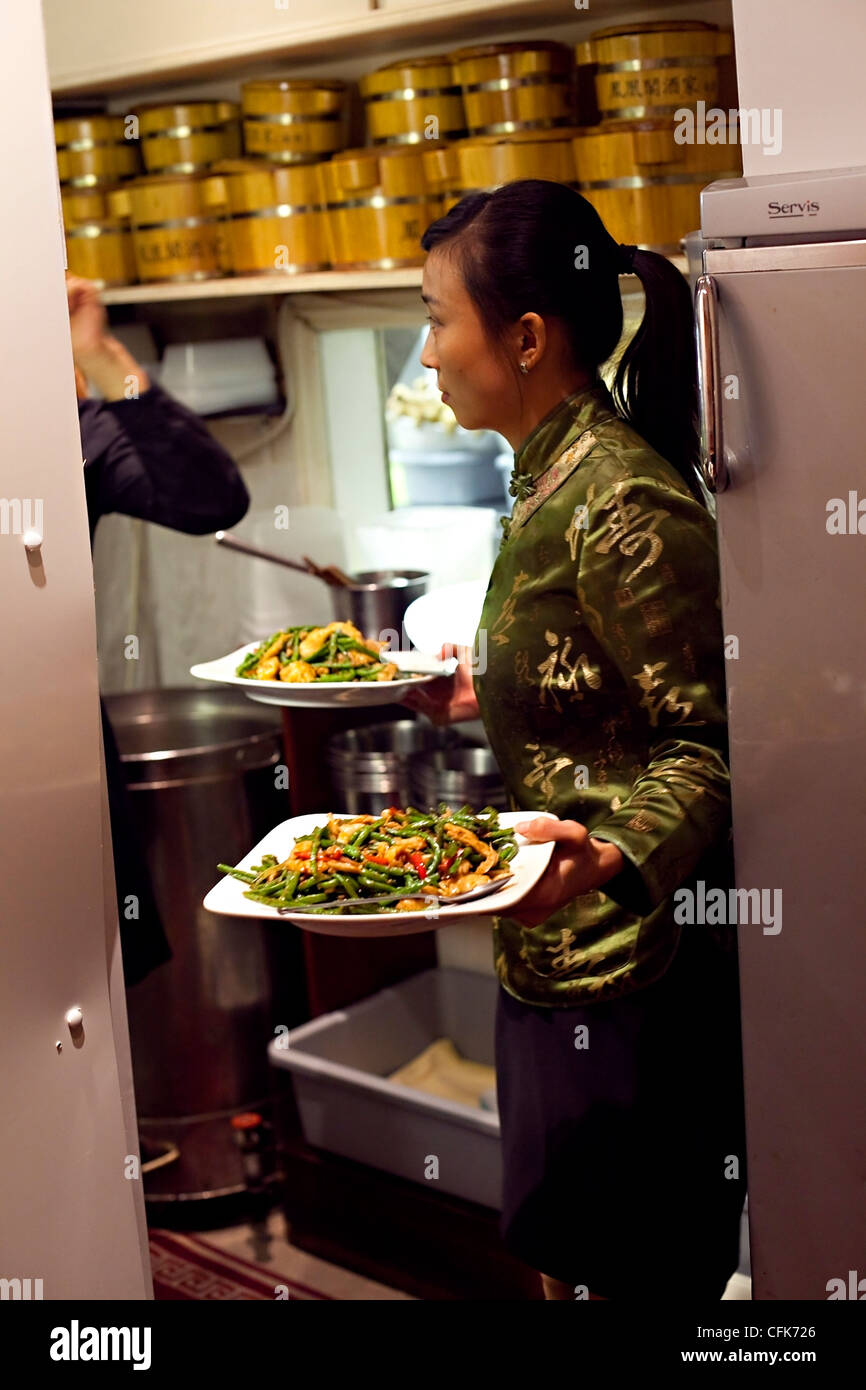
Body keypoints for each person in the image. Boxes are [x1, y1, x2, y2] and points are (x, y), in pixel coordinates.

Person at [403, 181, 747, 1301]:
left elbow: (707, 742)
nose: (427, 352)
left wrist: (605, 857)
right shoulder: (545, 473)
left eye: (436, 317)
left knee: (636, 1271)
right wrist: (484, 686)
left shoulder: (623, 500)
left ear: (526, 336)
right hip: (551, 958)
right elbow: (595, 679)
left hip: (629, 972)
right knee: (564, 1255)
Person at [69, 275, 250, 988]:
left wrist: (104, 359)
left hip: (62, 766)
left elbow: (209, 498)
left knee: (85, 1000)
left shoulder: (66, 434)